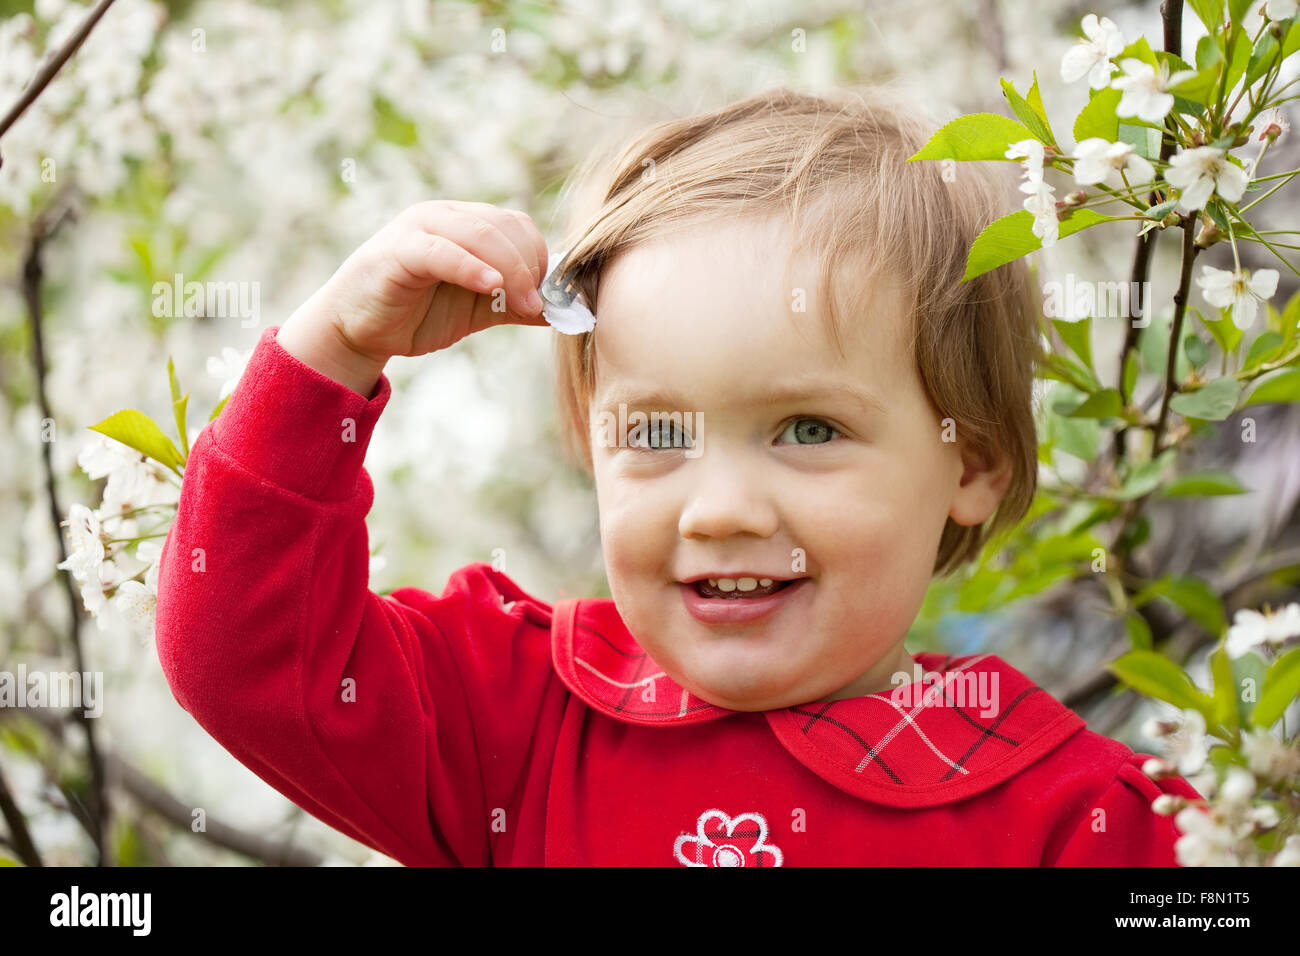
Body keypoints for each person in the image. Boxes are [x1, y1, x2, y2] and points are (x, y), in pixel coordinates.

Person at [154, 84, 1201, 866]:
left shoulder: (1084, 821)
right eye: (656, 431)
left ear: (968, 459)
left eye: (805, 426)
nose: (722, 507)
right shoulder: (517, 720)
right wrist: (331, 351)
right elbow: (246, 658)